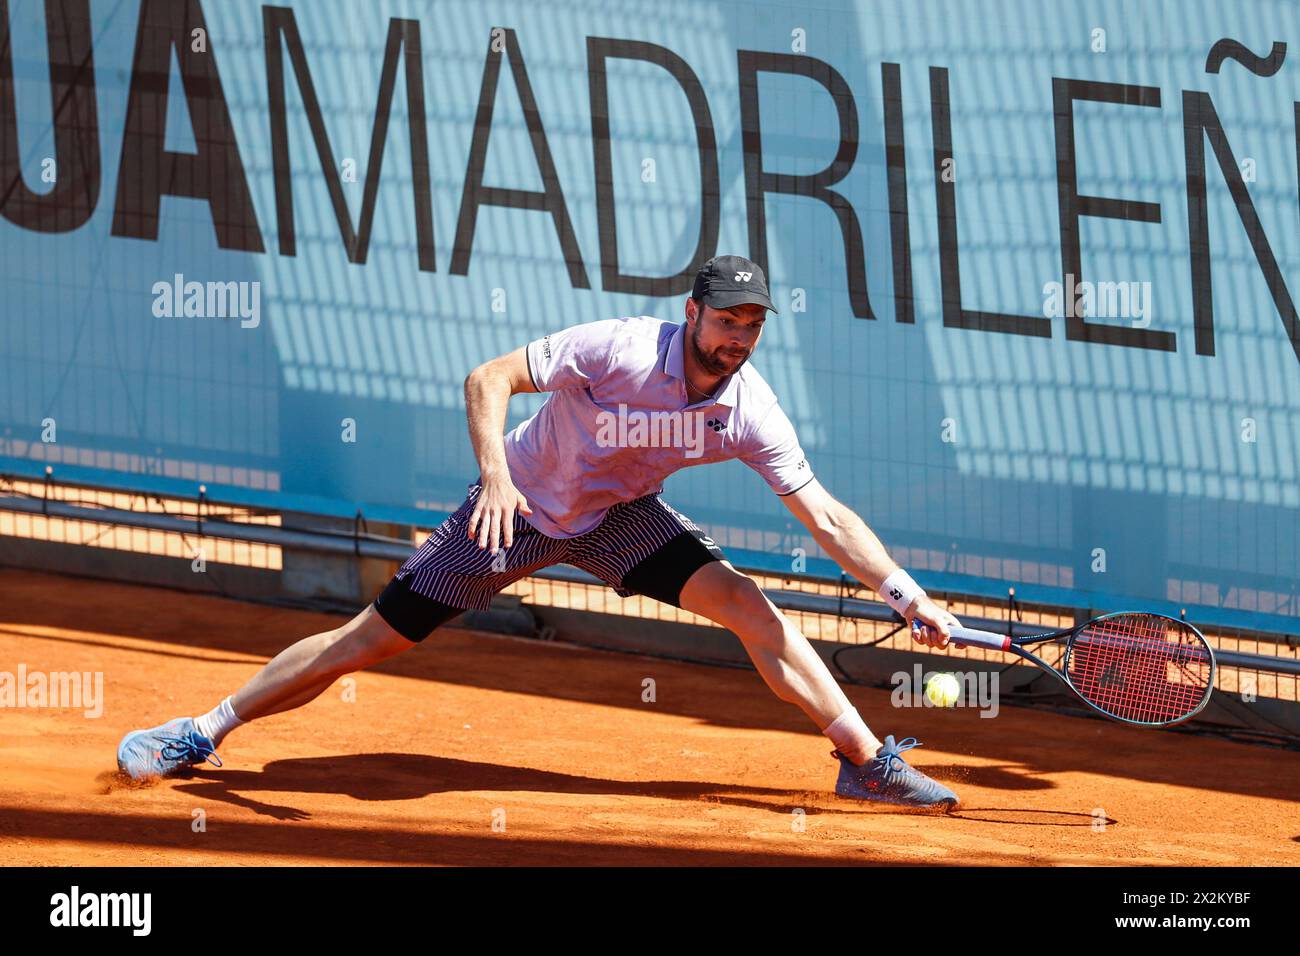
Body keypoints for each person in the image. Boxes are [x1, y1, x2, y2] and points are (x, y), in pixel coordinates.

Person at [116, 254, 962, 810]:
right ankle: (203, 730)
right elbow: (488, 377)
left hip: (619, 521)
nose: (737, 338)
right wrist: (495, 476)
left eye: (752, 325)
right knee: (370, 641)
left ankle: (862, 761)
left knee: (748, 605)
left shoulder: (747, 408)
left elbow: (824, 512)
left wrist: (905, 593)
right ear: (693, 311)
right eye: (726, 319)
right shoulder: (620, 348)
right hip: (514, 511)